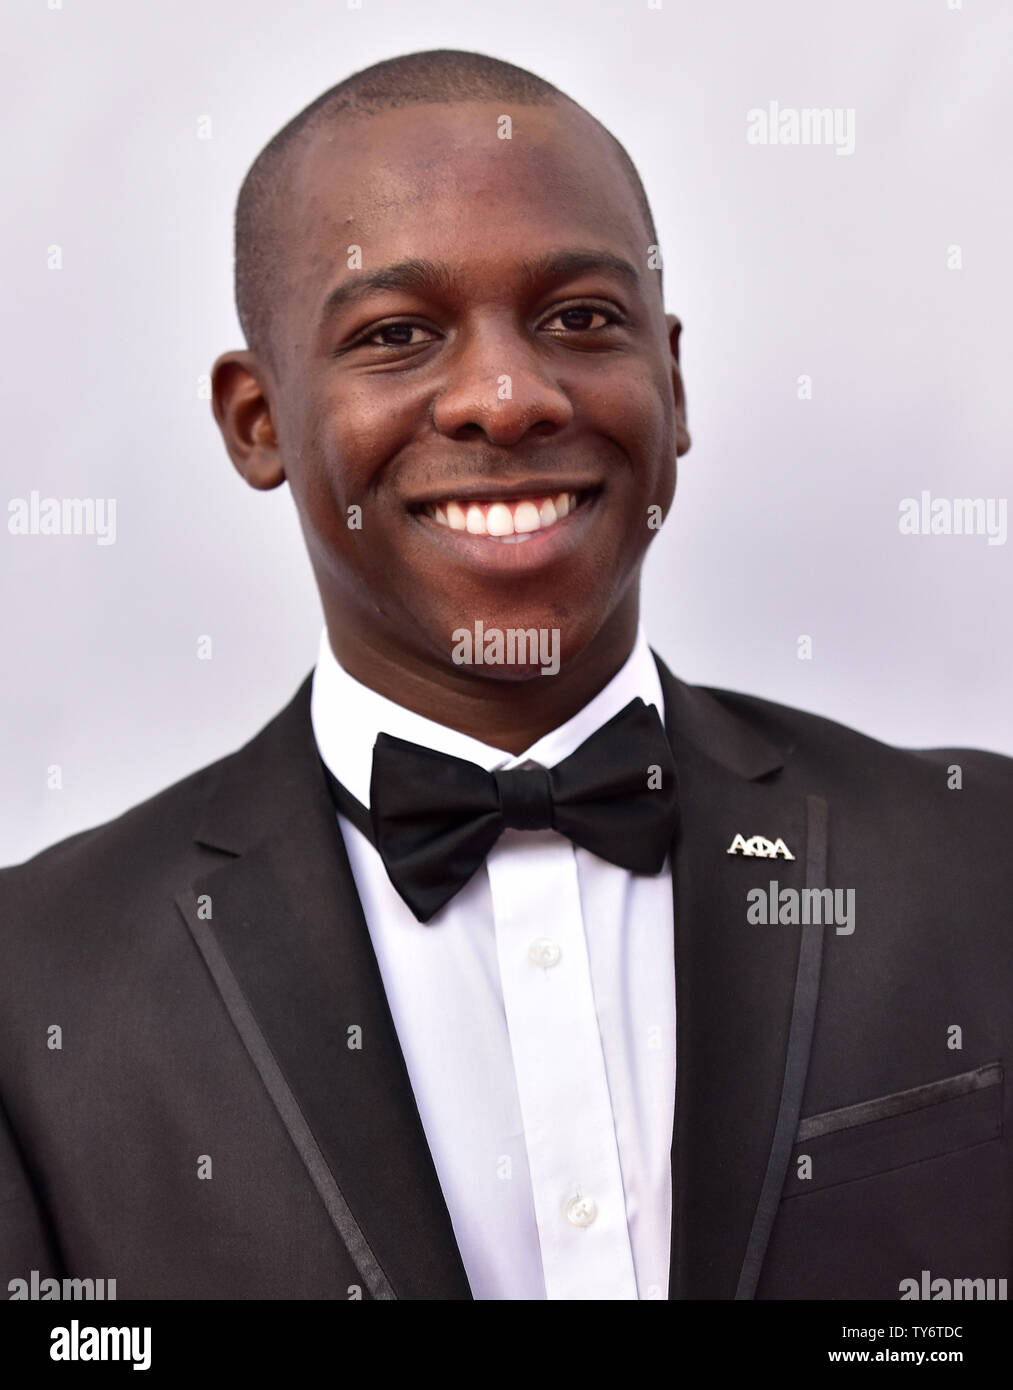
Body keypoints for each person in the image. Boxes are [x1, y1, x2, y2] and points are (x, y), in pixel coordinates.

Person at [1, 49, 1010, 1303]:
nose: (504, 396)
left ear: (672, 380)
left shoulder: (982, 855)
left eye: (579, 318)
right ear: (257, 421)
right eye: (395, 334)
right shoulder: (29, 984)